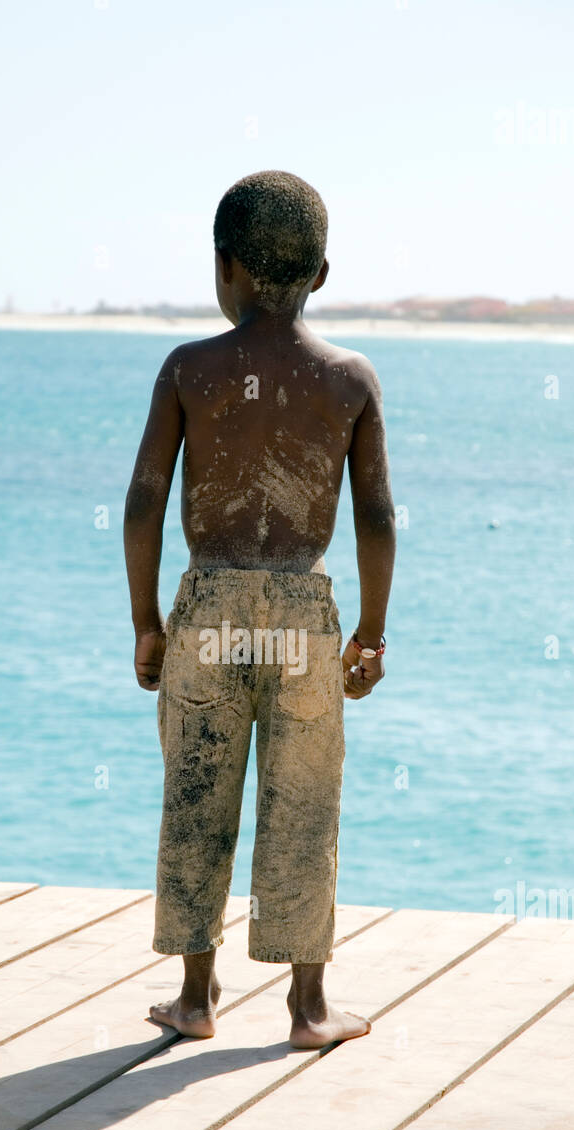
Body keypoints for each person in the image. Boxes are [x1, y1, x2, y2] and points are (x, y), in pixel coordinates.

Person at [124, 170, 395, 1048]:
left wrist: (146, 624)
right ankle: (309, 1008)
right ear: (321, 275)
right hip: (302, 611)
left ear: (224, 267)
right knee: (305, 803)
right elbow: (377, 519)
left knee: (197, 798)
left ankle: (197, 997)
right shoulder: (349, 379)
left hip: (209, 604)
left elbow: (143, 504)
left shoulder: (188, 370)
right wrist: (370, 634)